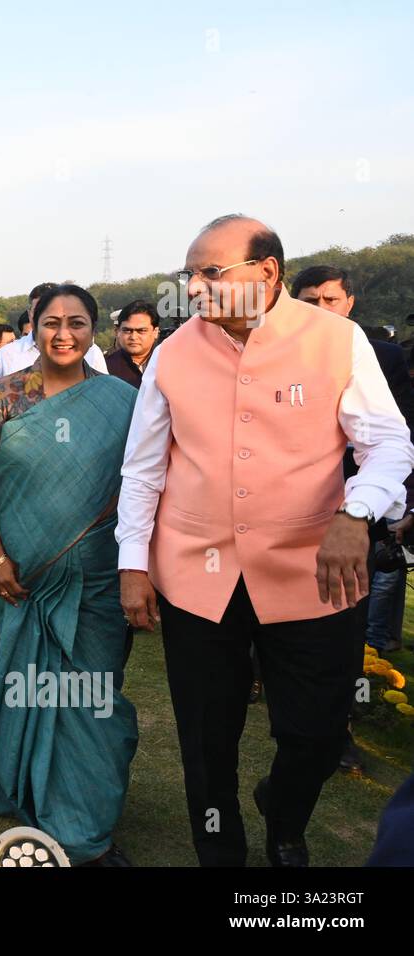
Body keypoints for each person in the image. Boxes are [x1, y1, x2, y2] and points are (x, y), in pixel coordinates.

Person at [118, 214, 414, 867]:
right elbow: (143, 469)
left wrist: (356, 513)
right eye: (188, 275)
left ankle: (283, 812)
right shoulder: (172, 353)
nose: (193, 287)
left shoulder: (337, 341)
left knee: (313, 731)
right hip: (198, 576)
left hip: (317, 570)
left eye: (210, 273)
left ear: (267, 271)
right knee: (206, 737)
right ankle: (219, 854)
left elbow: (388, 443)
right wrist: (133, 563)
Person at [0, 284, 139, 866]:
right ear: (33, 328)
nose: (64, 334)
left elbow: (143, 479)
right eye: (52, 322)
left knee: (92, 695)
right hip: (23, 574)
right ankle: (29, 788)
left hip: (98, 576)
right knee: (30, 683)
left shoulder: (120, 399)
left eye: (78, 322)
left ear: (94, 331)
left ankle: (82, 817)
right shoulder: (4, 396)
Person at [291, 263, 414, 774]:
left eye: (330, 300)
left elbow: (398, 437)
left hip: (357, 516)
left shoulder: (378, 355)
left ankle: (336, 731)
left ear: (349, 305)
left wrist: (394, 503)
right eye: (309, 301)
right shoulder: (270, 355)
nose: (321, 310)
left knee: (343, 629)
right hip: (286, 516)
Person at [0, 283, 108, 386]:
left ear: (93, 328)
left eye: (76, 323)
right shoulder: (7, 356)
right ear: (31, 315)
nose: (63, 335)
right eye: (51, 322)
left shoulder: (93, 354)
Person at [106, 301, 161, 388]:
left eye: (141, 331)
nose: (133, 337)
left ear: (155, 332)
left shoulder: (168, 363)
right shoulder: (105, 368)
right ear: (117, 332)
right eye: (127, 330)